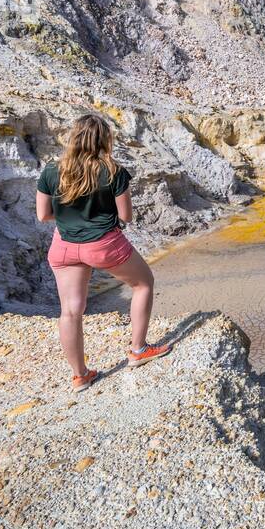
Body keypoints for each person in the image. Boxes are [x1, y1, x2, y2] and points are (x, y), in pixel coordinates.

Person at [36, 114, 169, 392]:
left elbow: (43, 215)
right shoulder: (113, 170)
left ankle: (80, 376)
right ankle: (138, 350)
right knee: (143, 283)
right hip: (103, 244)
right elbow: (126, 216)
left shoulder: (52, 170)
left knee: (70, 312)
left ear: (73, 137)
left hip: (63, 247)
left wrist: (71, 220)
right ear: (104, 139)